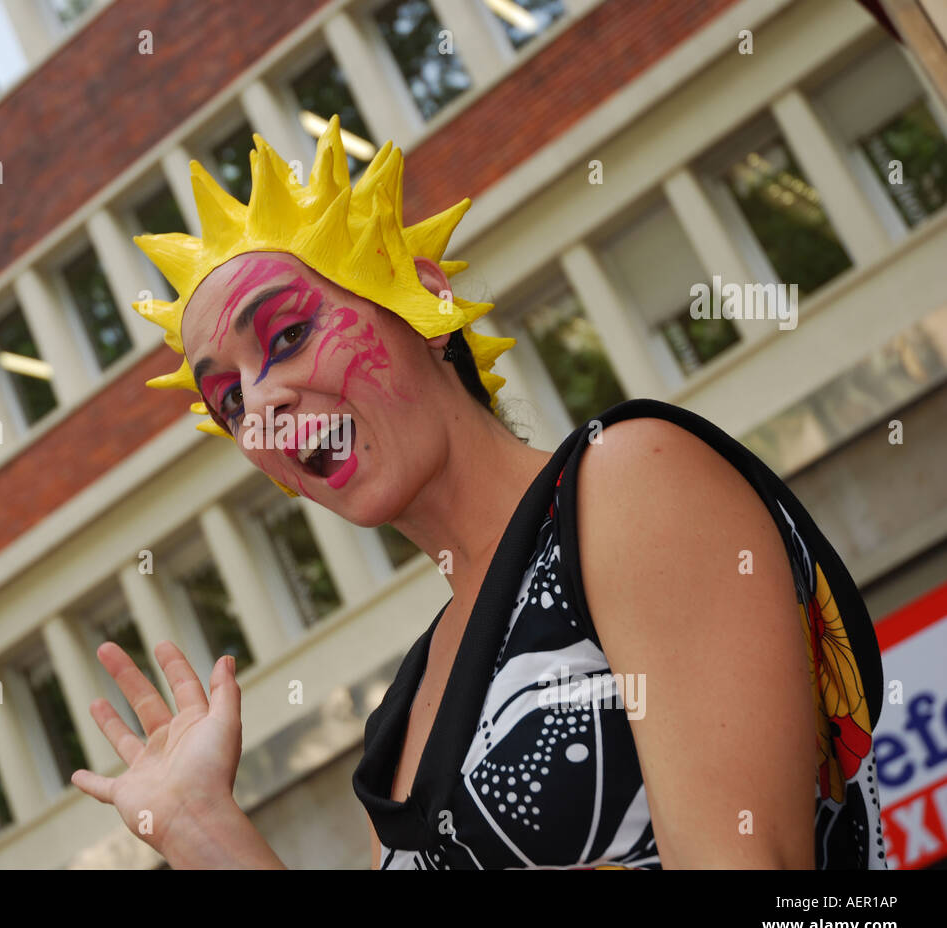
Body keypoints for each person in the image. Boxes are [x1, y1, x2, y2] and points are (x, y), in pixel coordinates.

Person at [68, 115, 887, 869]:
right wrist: (199, 827)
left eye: (286, 335)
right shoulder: (400, 721)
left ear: (429, 300)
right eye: (231, 403)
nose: (263, 406)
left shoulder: (629, 480)